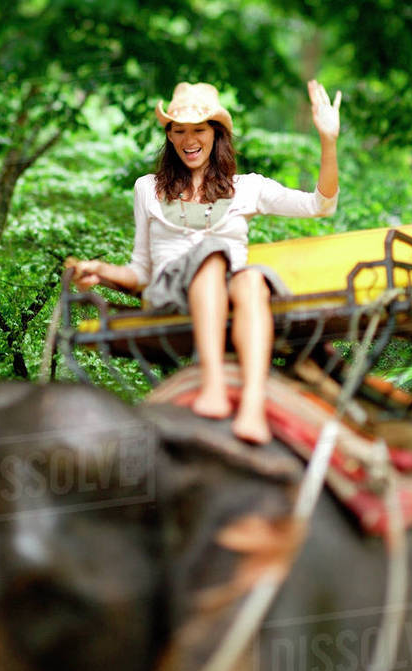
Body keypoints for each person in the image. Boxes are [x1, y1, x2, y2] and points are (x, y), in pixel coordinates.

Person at [71, 79, 341, 444]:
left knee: (251, 279)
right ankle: (213, 387)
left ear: (216, 133)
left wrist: (328, 140)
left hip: (231, 290)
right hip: (172, 293)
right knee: (211, 255)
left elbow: (320, 205)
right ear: (169, 136)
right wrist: (102, 272)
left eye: (199, 129)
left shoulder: (247, 187)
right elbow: (141, 271)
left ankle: (252, 407)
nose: (189, 139)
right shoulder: (147, 189)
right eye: (179, 130)